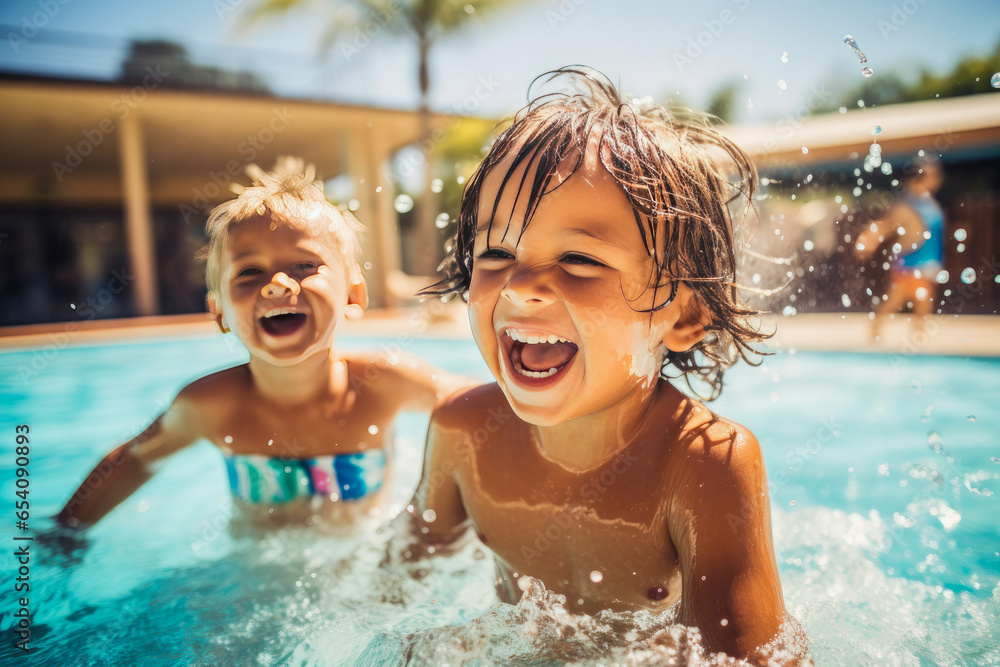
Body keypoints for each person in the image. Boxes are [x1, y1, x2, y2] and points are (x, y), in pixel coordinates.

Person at [401, 68, 803, 663]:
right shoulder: (462, 434)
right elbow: (393, 585)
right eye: (495, 252)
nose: (520, 287)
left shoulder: (703, 465)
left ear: (686, 314)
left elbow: (752, 657)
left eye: (579, 259)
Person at [57, 161, 465, 529]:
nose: (277, 284)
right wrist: (62, 535)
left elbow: (473, 408)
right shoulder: (210, 405)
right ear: (219, 313)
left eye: (305, 265)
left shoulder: (384, 381)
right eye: (250, 271)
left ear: (353, 297)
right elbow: (134, 460)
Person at [856, 155, 945, 341]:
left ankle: (885, 337)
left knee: (917, 304)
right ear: (921, 177)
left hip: (926, 263)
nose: (938, 179)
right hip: (911, 263)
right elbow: (887, 225)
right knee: (908, 303)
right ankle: (881, 337)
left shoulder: (927, 202)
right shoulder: (908, 204)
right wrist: (869, 239)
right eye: (934, 175)